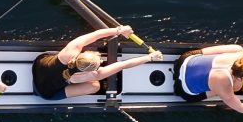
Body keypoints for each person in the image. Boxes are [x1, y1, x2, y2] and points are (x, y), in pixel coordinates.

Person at [31, 24, 166, 101]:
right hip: (46, 93)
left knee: (55, 62)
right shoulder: (93, 76)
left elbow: (96, 34)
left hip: (38, 65)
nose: (101, 60)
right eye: (99, 62)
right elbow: (123, 65)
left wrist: (119, 30)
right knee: (95, 86)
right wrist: (150, 58)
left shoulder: (71, 50)